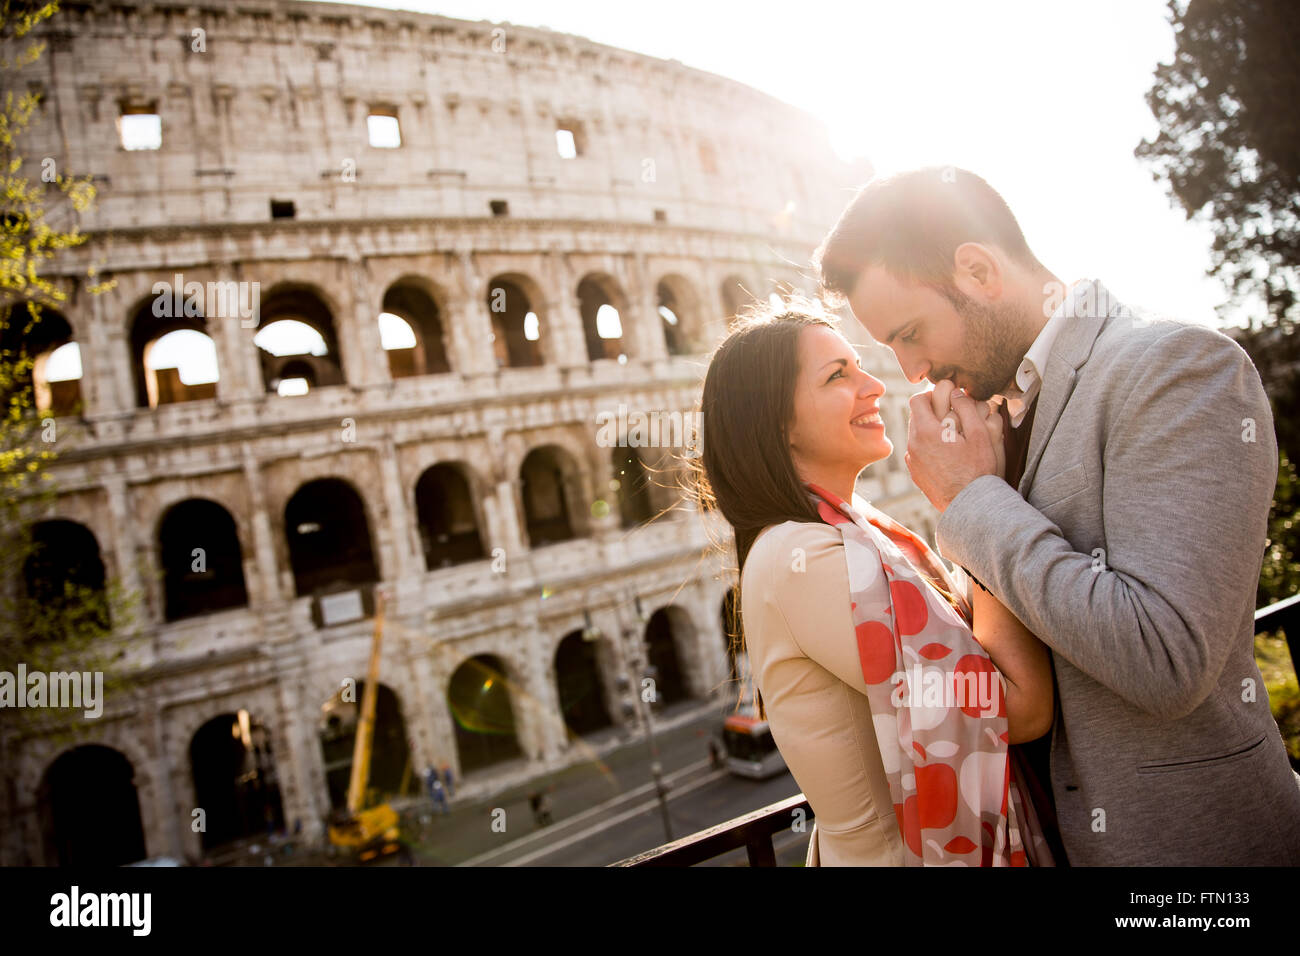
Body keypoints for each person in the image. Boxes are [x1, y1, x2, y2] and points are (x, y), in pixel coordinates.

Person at [813, 166, 1300, 865]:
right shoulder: (987, 417)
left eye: (911, 332)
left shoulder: (1177, 366)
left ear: (978, 270)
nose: (912, 370)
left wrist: (971, 501)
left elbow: (1168, 661)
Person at [696, 298, 1056, 866]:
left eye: (859, 366)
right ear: (777, 424)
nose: (875, 386)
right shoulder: (800, 556)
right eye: (838, 375)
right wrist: (977, 497)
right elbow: (1017, 706)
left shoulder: (853, 533)